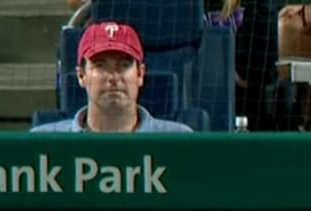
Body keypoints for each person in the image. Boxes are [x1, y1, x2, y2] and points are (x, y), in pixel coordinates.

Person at [31, 22, 194, 133]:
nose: (114, 76)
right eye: (100, 65)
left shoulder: (179, 140)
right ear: (81, 75)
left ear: (140, 74)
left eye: (124, 65)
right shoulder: (43, 142)